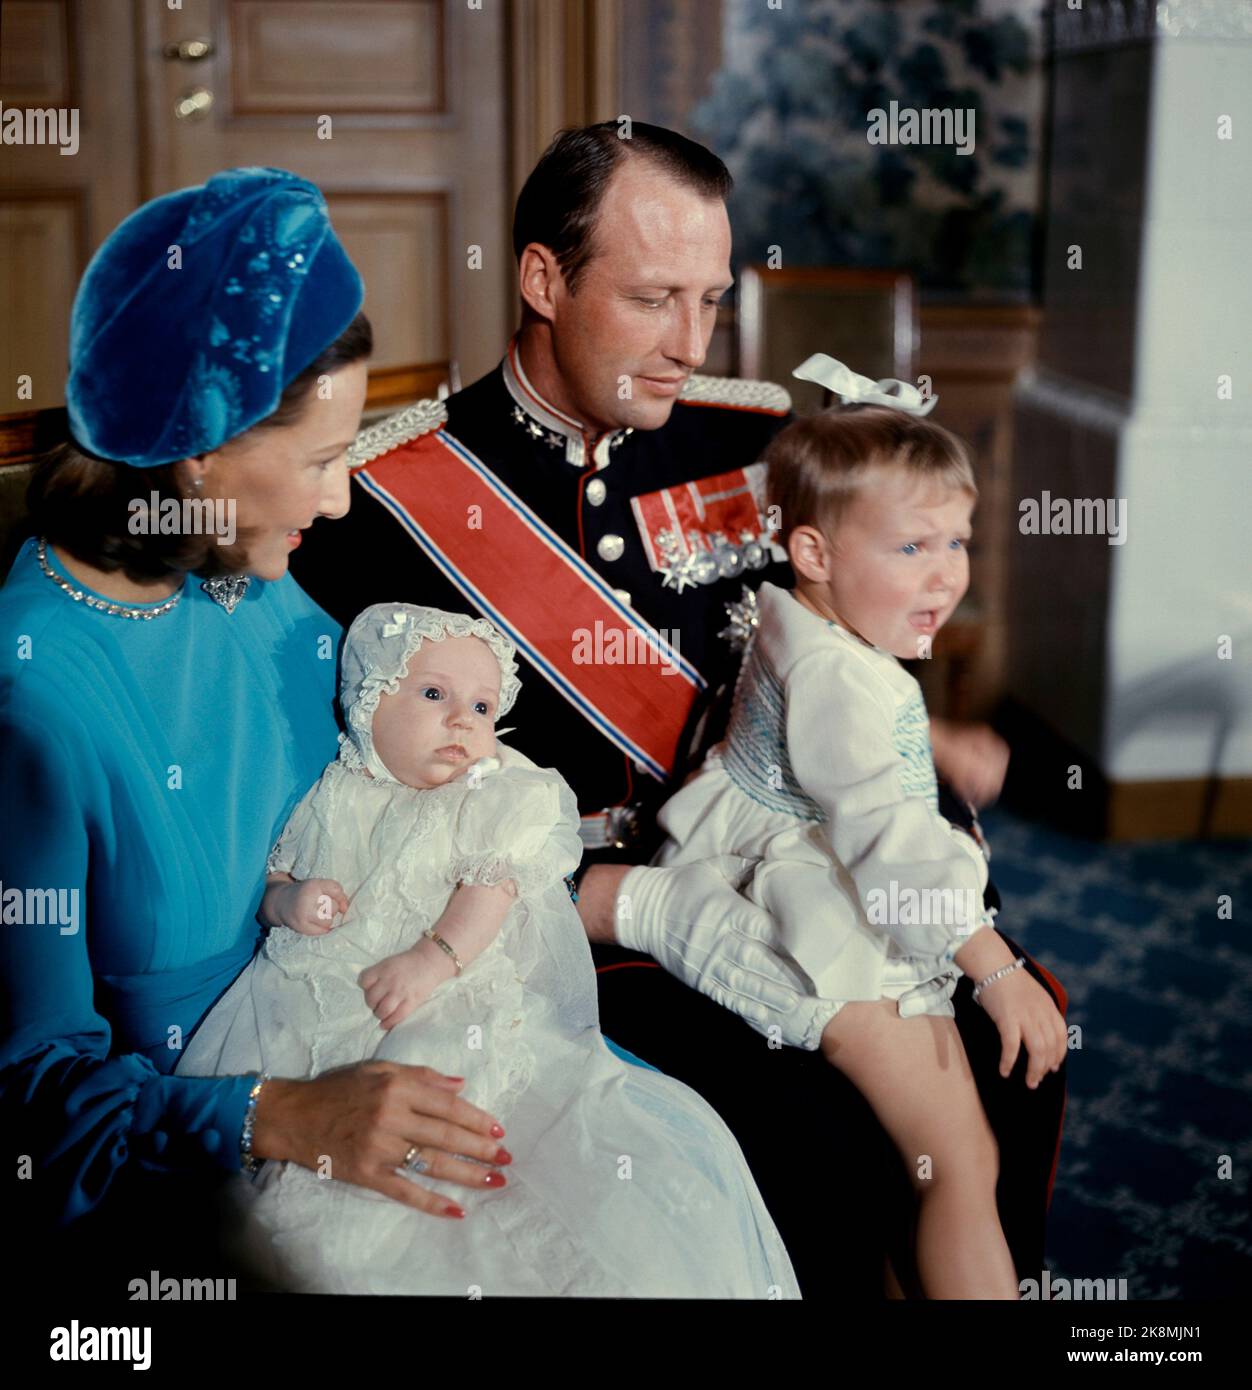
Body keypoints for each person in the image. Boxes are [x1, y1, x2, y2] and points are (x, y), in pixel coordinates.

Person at [290, 121, 1068, 1298]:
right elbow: (370, 791)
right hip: (584, 926)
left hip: (801, 850)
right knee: (797, 1126)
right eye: (653, 299)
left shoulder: (756, 440)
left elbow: (836, 660)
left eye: (708, 297)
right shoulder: (388, 505)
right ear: (543, 280)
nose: (688, 346)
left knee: (1011, 1042)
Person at [0, 169, 514, 1279]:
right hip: (189, 1162)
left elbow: (414, 784)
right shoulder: (35, 700)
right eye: (325, 461)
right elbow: (32, 1099)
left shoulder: (257, 591)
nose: (338, 504)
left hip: (379, 1029)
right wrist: (280, 1118)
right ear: (200, 454)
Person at [176, 602, 799, 1297]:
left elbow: (490, 888)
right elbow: (278, 878)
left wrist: (434, 957)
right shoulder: (331, 794)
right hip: (310, 995)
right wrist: (291, 902)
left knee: (479, 1121)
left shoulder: (486, 795)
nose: (462, 722)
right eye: (434, 695)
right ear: (368, 698)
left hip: (441, 998)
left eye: (480, 705)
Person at [652, 360, 1068, 1298]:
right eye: (913, 548)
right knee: (961, 1163)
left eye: (956, 542)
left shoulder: (809, 621)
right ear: (816, 553)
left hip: (760, 843)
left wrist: (931, 737)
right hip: (808, 899)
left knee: (935, 1165)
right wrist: (991, 966)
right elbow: (885, 841)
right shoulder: (845, 678)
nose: (948, 573)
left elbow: (834, 741)